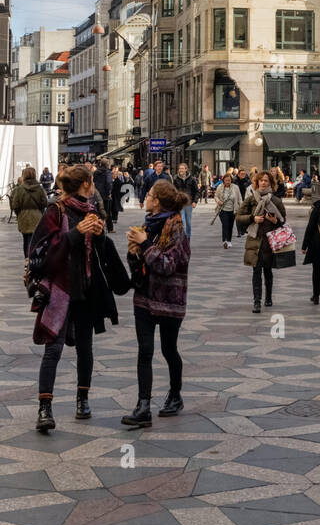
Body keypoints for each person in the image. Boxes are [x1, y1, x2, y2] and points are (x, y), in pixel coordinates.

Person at [31, 163, 131, 433]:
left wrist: (98, 236)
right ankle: (45, 408)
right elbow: (40, 252)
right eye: (92, 182)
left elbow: (97, 252)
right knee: (53, 349)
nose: (95, 186)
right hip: (60, 290)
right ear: (86, 184)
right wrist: (76, 233)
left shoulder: (93, 210)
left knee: (85, 348)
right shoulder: (55, 210)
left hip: (86, 289)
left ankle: (82, 399)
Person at [122, 179, 190, 427]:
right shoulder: (146, 226)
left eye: (149, 194)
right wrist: (133, 253)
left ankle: (175, 395)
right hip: (144, 298)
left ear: (157, 201)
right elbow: (140, 269)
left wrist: (145, 244)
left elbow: (167, 265)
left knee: (169, 349)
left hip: (170, 300)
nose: (146, 197)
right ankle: (143, 406)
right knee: (145, 351)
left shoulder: (176, 229)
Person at [236, 171, 287, 313]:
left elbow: (283, 221)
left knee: (268, 271)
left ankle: (268, 297)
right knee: (256, 271)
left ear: (271, 183)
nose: (263, 183)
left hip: (270, 242)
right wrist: (253, 218)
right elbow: (239, 217)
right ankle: (257, 301)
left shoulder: (276, 201)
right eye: (261, 180)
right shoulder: (252, 199)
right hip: (255, 241)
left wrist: (274, 221)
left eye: (266, 180)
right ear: (257, 182)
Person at [12, 165, 48, 260]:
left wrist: (19, 214)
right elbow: (44, 203)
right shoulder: (39, 188)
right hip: (37, 216)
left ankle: (27, 261)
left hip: (24, 216)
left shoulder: (19, 189)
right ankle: (35, 260)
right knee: (36, 240)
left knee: (26, 240)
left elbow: (15, 205)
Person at [214, 172, 243, 247]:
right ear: (223, 181)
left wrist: (242, 207)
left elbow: (239, 198)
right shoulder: (220, 187)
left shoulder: (235, 187)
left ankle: (229, 241)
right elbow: (216, 196)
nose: (227, 182)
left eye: (229, 180)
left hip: (233, 210)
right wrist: (218, 201)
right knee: (225, 225)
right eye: (226, 180)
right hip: (222, 210)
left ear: (231, 180)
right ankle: (224, 241)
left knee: (230, 225)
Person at [174, 163, 199, 241]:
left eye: (182, 168)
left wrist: (195, 201)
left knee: (188, 222)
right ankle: (182, 238)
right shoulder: (176, 179)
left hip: (189, 204)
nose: (180, 170)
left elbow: (197, 191)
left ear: (186, 169)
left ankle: (187, 237)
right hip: (180, 203)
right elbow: (173, 191)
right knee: (182, 221)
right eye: (179, 168)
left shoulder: (192, 179)